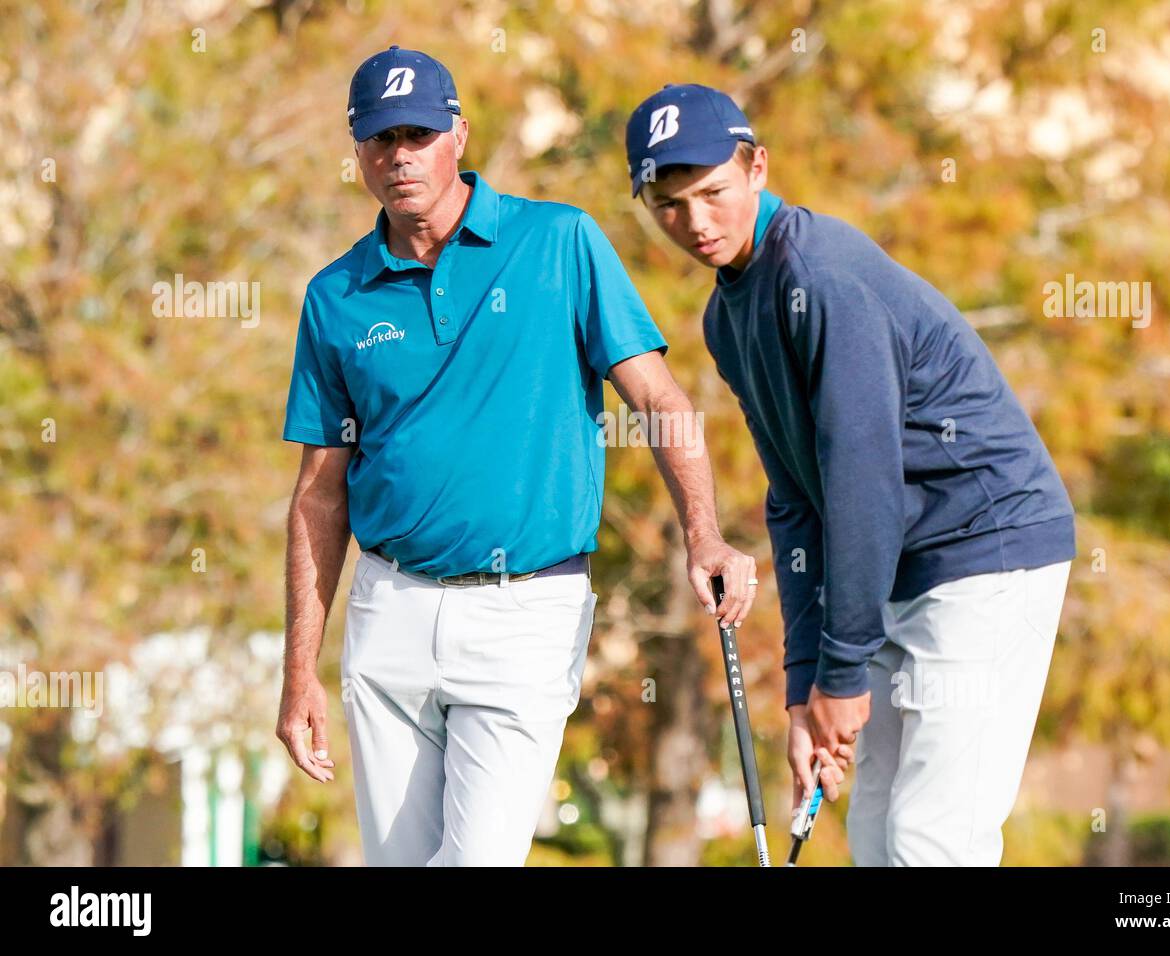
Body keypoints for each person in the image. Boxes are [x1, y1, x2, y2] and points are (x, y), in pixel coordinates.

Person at [277, 51, 756, 866]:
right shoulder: (336, 294)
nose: (399, 156)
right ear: (356, 152)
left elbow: (661, 403)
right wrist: (299, 671)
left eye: (418, 134)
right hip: (387, 612)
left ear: (458, 133)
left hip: (525, 611)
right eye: (379, 138)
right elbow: (321, 496)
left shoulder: (558, 241)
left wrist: (702, 534)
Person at [625, 83, 1077, 865]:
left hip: (985, 556)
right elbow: (798, 502)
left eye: (713, 193)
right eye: (668, 205)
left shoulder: (821, 278)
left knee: (933, 839)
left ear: (758, 167)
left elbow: (863, 483)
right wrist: (806, 690)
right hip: (899, 569)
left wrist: (843, 675)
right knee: (874, 834)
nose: (695, 223)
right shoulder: (727, 315)